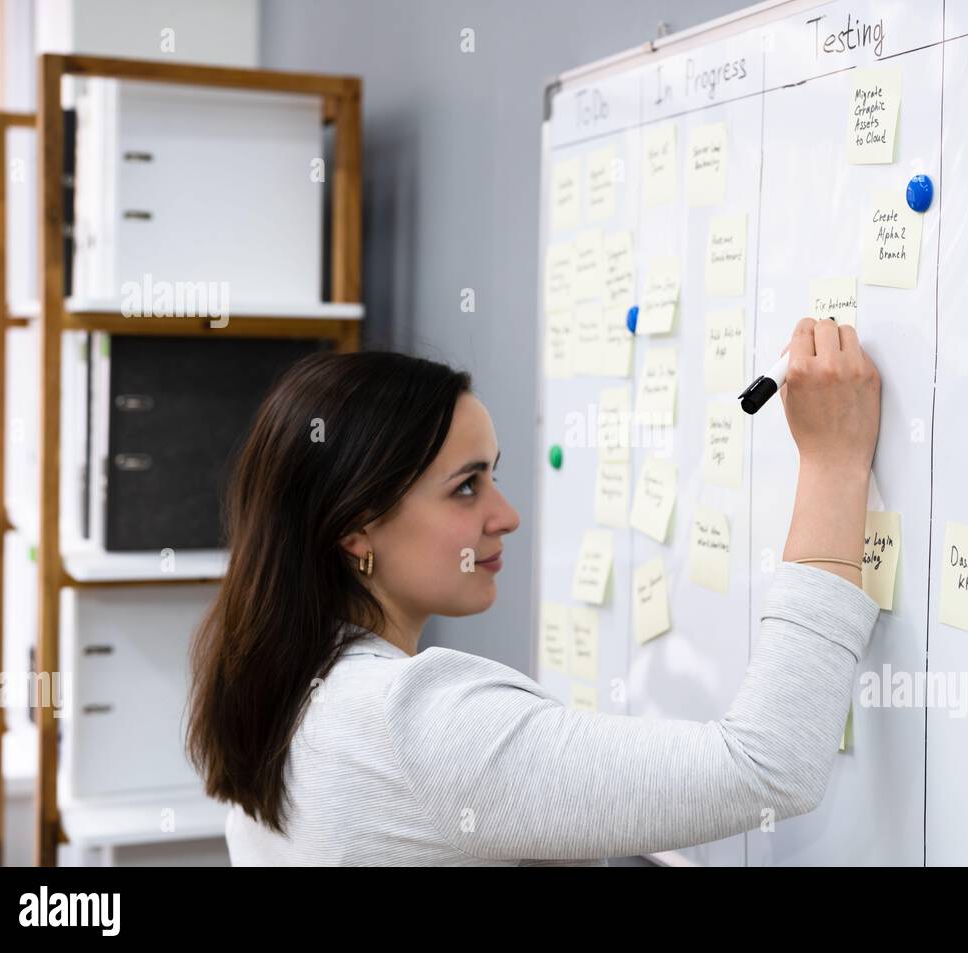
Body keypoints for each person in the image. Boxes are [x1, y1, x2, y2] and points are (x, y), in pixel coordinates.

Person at [186, 316, 882, 865]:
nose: (507, 515)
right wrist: (834, 464)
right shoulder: (414, 723)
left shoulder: (290, 695)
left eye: (494, 475)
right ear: (356, 531)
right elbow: (768, 768)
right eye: (466, 487)